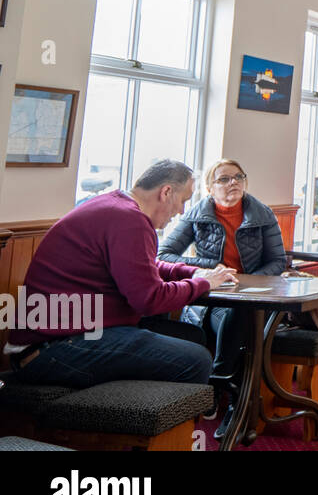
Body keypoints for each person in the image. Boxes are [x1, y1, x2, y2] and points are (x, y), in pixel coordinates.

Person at [5, 159, 238, 388]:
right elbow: (150, 299)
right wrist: (202, 284)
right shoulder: (130, 220)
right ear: (166, 192)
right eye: (183, 201)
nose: (181, 211)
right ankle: (148, 422)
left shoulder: (116, 206)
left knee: (192, 337)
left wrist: (194, 272)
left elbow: (144, 267)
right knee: (197, 360)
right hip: (54, 348)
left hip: (60, 338)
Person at [158, 158, 285, 433]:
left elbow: (278, 261)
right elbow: (163, 255)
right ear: (209, 188)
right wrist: (210, 269)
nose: (233, 183)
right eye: (224, 179)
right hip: (212, 299)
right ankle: (233, 396)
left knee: (241, 314)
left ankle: (219, 383)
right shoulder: (196, 214)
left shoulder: (262, 214)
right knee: (233, 318)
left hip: (255, 298)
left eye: (238, 177)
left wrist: (244, 281)